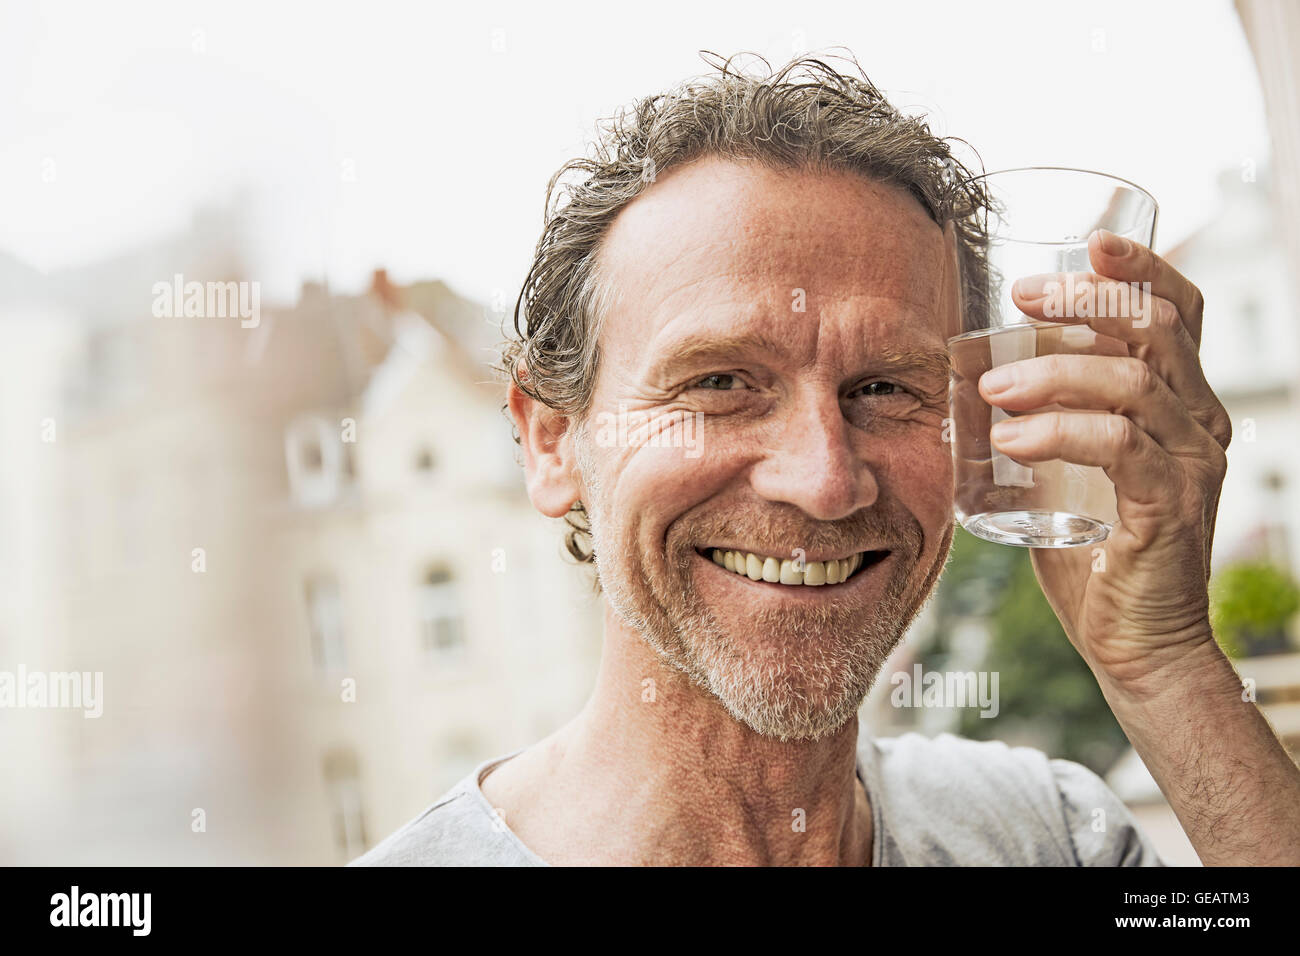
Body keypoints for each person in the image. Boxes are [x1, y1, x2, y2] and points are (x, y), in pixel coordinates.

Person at [352, 51, 1300, 866]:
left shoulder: (1049, 833)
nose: (826, 479)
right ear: (552, 440)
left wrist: (1167, 669)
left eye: (887, 387)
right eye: (720, 382)